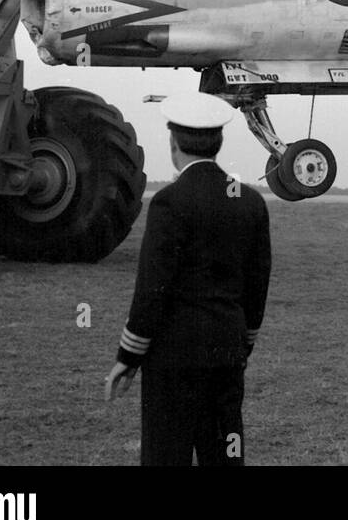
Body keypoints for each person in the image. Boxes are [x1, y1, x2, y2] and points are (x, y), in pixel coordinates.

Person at [105, 94, 272, 466]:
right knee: (225, 455)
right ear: (218, 143)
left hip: (173, 357)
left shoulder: (168, 203)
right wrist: (242, 341)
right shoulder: (249, 202)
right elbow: (257, 286)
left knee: (166, 455)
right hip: (227, 351)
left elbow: (152, 289)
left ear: (173, 144)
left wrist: (128, 356)